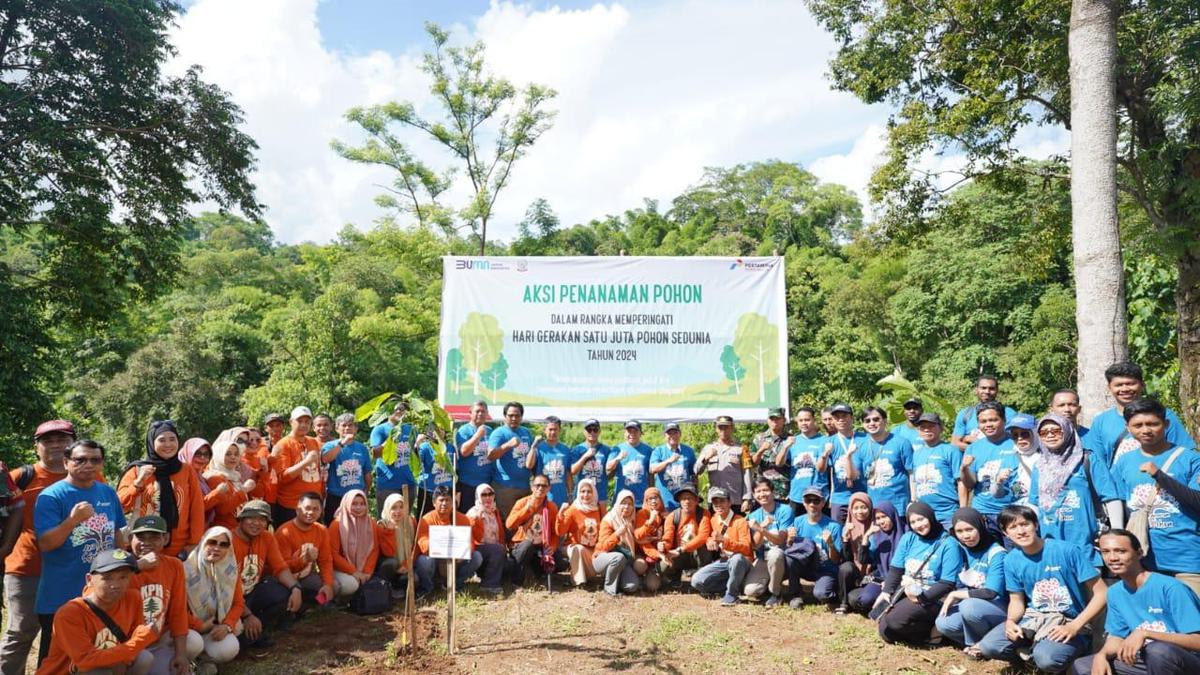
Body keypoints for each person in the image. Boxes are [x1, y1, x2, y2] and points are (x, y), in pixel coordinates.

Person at [976, 505, 1107, 673]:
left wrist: (1074, 626)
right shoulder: (1011, 560)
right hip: (1035, 618)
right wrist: (1010, 622)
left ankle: (1066, 657)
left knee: (1047, 658)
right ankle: (1031, 659)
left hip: (1070, 621)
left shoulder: (1067, 550)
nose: (1021, 531)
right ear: (1005, 533)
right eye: (1013, 527)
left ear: (1036, 525)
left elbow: (1102, 592)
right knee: (989, 646)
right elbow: (1016, 600)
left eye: (1025, 524)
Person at [34, 439, 127, 665]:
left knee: (95, 657)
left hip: (100, 596)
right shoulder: (51, 496)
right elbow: (45, 544)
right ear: (66, 463)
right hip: (61, 596)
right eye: (80, 459)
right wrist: (73, 520)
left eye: (95, 460)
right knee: (54, 662)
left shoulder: (107, 493)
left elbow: (118, 535)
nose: (88, 464)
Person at [1071, 529, 1200, 675]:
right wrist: (1102, 655)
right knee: (1084, 666)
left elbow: (1197, 641)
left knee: (1158, 651)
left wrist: (1146, 633)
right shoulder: (1114, 592)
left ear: (1139, 553)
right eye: (1105, 552)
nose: (1112, 558)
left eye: (1120, 551)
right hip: (1144, 659)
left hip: (1184, 661)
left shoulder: (1171, 587)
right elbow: (1117, 636)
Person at [1, 419, 71, 675]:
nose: (55, 445)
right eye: (48, 441)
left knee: (59, 636)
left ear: (72, 444)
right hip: (26, 568)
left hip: (68, 571)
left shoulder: (89, 474)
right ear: (36, 447)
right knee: (20, 633)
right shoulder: (21, 477)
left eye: (62, 440)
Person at [1111, 398, 1200, 595]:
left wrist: (1159, 475)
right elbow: (1117, 505)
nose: (1146, 430)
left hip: (1186, 560)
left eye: (1153, 423)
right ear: (1128, 427)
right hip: (1143, 561)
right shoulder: (1124, 462)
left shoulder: (1190, 459)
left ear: (1166, 424)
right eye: (1138, 425)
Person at [36, 549, 157, 675]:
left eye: (123, 577)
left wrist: (124, 660)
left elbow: (133, 640)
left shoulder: (133, 598)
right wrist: (139, 642)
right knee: (97, 672)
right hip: (69, 672)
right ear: (89, 579)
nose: (116, 585)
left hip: (111, 665)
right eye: (107, 578)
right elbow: (86, 661)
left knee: (144, 658)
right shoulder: (70, 613)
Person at [1029, 413, 1124, 564]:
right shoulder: (1039, 466)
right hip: (1051, 542)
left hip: (1086, 542)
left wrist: (1117, 534)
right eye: (1044, 432)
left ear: (1067, 431)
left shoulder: (1087, 459)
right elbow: (1034, 503)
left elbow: (1110, 497)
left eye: (1056, 430)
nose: (1050, 435)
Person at [874, 502, 964, 646]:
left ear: (930, 517)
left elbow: (947, 583)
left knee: (894, 622)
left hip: (934, 597)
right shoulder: (909, 538)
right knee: (886, 632)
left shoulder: (948, 543)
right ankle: (921, 628)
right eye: (913, 522)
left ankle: (936, 630)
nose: (918, 525)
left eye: (921, 519)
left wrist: (922, 598)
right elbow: (896, 568)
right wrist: (886, 592)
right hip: (910, 591)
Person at [118, 420, 205, 558]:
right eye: (162, 440)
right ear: (152, 442)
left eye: (172, 439)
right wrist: (138, 482)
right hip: (143, 546)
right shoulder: (137, 470)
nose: (168, 444)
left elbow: (196, 508)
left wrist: (193, 543)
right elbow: (120, 506)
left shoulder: (186, 470)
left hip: (178, 548)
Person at [1089, 362, 1195, 467]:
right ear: (1109, 388)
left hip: (1160, 480)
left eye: (1131, 384)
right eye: (1119, 385)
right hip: (1117, 482)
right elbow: (1097, 463)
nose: (1125, 389)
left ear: (1142, 385)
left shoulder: (1164, 415)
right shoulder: (1101, 421)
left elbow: (1184, 453)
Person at [935, 508, 1008, 659]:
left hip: (999, 608)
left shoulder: (997, 552)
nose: (965, 535)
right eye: (960, 531)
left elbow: (991, 592)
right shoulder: (961, 550)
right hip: (974, 608)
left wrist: (956, 594)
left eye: (970, 529)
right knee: (943, 622)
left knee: (968, 606)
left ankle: (981, 646)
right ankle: (978, 643)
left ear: (980, 527)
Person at [229, 500, 302, 650]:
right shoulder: (228, 541)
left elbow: (280, 568)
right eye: (251, 518)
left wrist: (296, 588)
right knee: (237, 642)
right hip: (229, 599)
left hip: (251, 592)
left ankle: (257, 629)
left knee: (284, 592)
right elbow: (224, 589)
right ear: (241, 519)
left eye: (262, 519)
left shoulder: (267, 538)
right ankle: (249, 631)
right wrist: (247, 615)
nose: (256, 523)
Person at [128, 515, 193, 675]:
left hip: (158, 639)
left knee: (194, 642)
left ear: (166, 538)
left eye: (154, 537)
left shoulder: (174, 565)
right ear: (130, 539)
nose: (146, 542)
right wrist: (137, 566)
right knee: (143, 660)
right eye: (140, 537)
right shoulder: (121, 565)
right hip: (129, 644)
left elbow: (178, 611)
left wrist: (181, 654)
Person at [185, 527, 245, 670]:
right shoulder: (184, 571)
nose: (217, 548)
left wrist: (227, 625)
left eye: (223, 544)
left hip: (215, 627)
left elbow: (238, 604)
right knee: (191, 642)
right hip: (189, 629)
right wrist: (200, 625)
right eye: (212, 542)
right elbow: (176, 610)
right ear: (203, 543)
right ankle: (189, 661)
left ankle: (203, 659)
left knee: (230, 647)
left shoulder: (231, 571)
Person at [960, 401, 1017, 538]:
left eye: (993, 420)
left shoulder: (1016, 443)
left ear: (1003, 420)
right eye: (983, 421)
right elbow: (970, 484)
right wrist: (964, 469)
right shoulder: (973, 448)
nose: (988, 425)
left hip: (1013, 512)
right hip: (984, 512)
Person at [415, 486, 483, 597]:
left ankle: (456, 585)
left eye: (448, 500)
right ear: (434, 503)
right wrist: (442, 548)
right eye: (441, 500)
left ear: (453, 502)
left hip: (457, 559)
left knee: (477, 557)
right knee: (423, 561)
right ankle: (428, 588)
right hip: (435, 559)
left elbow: (470, 543)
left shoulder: (462, 519)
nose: (444, 503)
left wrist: (461, 555)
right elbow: (423, 544)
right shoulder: (426, 520)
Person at [690, 487, 753, 606]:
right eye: (715, 502)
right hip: (724, 561)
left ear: (729, 502)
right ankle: (735, 584)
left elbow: (747, 548)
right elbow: (709, 536)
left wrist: (724, 541)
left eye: (722, 501)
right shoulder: (714, 519)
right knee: (696, 581)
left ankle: (732, 595)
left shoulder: (740, 521)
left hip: (743, 561)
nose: (718, 505)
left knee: (737, 559)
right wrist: (709, 540)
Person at [274, 492, 336, 611]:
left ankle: (313, 605)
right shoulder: (284, 532)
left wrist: (327, 584)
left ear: (320, 512)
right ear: (297, 509)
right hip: (286, 579)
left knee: (334, 586)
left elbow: (325, 561)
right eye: (307, 508)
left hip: (307, 576)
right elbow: (281, 568)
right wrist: (304, 559)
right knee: (284, 595)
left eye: (315, 509)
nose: (311, 512)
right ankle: (299, 605)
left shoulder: (322, 530)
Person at [850, 406, 914, 514]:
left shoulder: (901, 442)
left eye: (876, 419)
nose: (872, 423)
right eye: (867, 420)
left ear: (885, 421)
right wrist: (848, 457)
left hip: (899, 507)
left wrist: (913, 499)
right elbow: (855, 476)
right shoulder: (861, 446)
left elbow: (911, 473)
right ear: (862, 424)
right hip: (874, 508)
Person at [845, 500, 904, 614]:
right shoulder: (877, 537)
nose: (881, 521)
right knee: (861, 600)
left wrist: (891, 582)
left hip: (902, 581)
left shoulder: (906, 535)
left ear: (892, 515)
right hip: (882, 577)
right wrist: (866, 538)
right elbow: (864, 560)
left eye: (884, 517)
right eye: (878, 518)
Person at [788, 487, 842, 609]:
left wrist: (831, 544)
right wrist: (789, 540)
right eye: (808, 500)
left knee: (821, 594)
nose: (812, 504)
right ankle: (795, 595)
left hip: (825, 569)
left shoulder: (834, 526)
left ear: (823, 503)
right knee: (789, 559)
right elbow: (791, 550)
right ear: (804, 503)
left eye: (816, 501)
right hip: (806, 566)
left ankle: (836, 592)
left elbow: (836, 560)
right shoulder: (797, 522)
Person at [506, 475, 566, 586]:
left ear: (549, 488)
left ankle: (535, 573)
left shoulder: (551, 507)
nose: (540, 488)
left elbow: (554, 532)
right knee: (528, 545)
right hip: (522, 543)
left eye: (544, 486)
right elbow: (509, 524)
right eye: (537, 485)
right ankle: (516, 581)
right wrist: (526, 509)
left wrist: (552, 546)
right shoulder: (522, 502)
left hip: (541, 545)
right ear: (532, 487)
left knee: (561, 563)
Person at [744, 478, 796, 606]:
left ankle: (775, 593)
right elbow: (755, 545)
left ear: (773, 492)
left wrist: (762, 529)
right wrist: (762, 529)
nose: (762, 494)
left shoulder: (785, 510)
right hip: (763, 558)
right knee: (751, 591)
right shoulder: (753, 515)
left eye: (766, 490)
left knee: (775, 553)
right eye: (758, 491)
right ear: (754, 495)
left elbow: (780, 540)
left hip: (784, 558)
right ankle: (770, 582)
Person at [272, 407, 324, 527]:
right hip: (291, 506)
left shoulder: (313, 442)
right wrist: (305, 462)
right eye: (300, 421)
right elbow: (282, 477)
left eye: (307, 422)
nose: (304, 425)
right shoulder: (283, 444)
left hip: (314, 504)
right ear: (291, 422)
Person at [911, 413, 962, 527]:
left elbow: (961, 482)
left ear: (941, 427)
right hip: (924, 515)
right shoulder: (916, 454)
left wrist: (962, 511)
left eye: (931, 426)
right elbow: (914, 481)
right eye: (923, 427)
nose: (927, 430)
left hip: (948, 513)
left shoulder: (951, 450)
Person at [819, 403, 868, 523]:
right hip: (840, 498)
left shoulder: (865, 439)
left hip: (862, 495)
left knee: (861, 533)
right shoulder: (829, 442)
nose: (840, 420)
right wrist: (825, 455)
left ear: (851, 418)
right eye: (837, 417)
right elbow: (821, 469)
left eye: (844, 416)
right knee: (840, 535)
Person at [322, 413, 372, 526]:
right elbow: (325, 459)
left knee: (357, 529)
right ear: (337, 428)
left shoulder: (362, 448)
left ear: (356, 428)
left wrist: (365, 492)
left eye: (351, 425)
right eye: (344, 425)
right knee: (334, 528)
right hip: (336, 497)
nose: (347, 428)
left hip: (356, 497)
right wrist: (342, 443)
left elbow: (367, 473)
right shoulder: (329, 445)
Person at [487, 401, 535, 520]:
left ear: (521, 417)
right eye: (510, 415)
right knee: (508, 522)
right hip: (505, 487)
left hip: (524, 486)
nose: (514, 418)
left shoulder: (526, 432)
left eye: (517, 415)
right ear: (505, 416)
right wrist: (508, 445)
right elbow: (490, 455)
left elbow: (532, 456)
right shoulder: (499, 433)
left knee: (523, 520)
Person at [328, 490, 380, 599]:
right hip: (339, 569)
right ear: (346, 504)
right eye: (354, 504)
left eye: (362, 504)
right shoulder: (336, 525)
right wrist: (354, 571)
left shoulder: (372, 524)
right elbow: (333, 554)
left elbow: (374, 549)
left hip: (362, 570)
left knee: (361, 583)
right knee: (351, 585)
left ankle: (353, 599)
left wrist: (367, 571)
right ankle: (323, 600)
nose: (358, 507)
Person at [370, 403, 417, 519]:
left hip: (409, 484)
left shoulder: (411, 429)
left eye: (402, 409)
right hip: (388, 484)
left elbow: (415, 454)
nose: (399, 412)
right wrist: (391, 438)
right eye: (395, 409)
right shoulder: (379, 429)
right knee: (386, 521)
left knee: (405, 522)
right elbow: (375, 454)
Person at [658, 484, 711, 588]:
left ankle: (701, 575)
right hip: (678, 553)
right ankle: (674, 576)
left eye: (690, 498)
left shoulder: (704, 514)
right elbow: (668, 536)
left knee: (704, 546)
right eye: (683, 499)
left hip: (696, 552)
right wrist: (664, 545)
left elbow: (702, 536)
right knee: (663, 566)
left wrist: (683, 549)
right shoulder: (673, 516)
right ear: (679, 501)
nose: (687, 501)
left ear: (696, 501)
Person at [593, 490, 645, 595]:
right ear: (617, 504)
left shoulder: (633, 521)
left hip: (625, 562)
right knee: (618, 557)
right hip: (602, 558)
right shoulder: (609, 520)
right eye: (623, 503)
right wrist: (617, 534)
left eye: (630, 504)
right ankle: (609, 590)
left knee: (631, 587)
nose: (626, 507)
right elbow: (604, 547)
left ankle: (618, 581)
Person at [698, 416, 753, 515]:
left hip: (734, 500)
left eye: (726, 427)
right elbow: (697, 471)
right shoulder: (708, 448)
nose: (723, 430)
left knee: (736, 528)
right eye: (720, 427)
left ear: (732, 428)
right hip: (715, 500)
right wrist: (706, 458)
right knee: (716, 528)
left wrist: (747, 498)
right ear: (716, 429)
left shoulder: (742, 449)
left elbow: (747, 474)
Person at [558, 478, 605, 587]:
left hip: (592, 548)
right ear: (578, 493)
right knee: (578, 549)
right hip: (573, 546)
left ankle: (587, 575)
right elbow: (560, 531)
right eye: (582, 491)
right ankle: (578, 581)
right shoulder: (573, 509)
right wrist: (560, 515)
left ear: (594, 493)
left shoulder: (597, 509)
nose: (586, 494)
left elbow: (603, 531)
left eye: (589, 491)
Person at [952, 375, 1019, 450]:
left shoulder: (1009, 413)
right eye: (983, 388)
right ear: (976, 389)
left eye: (991, 388)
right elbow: (955, 443)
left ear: (997, 390)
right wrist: (977, 449)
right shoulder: (966, 414)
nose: (987, 391)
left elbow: (1015, 439)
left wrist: (975, 442)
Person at [834, 492, 874, 614]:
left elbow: (869, 560)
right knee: (846, 568)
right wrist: (845, 539)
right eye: (855, 508)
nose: (860, 511)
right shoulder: (848, 527)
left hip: (872, 573)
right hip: (855, 574)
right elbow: (846, 560)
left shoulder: (876, 526)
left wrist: (866, 539)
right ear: (850, 510)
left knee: (861, 600)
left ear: (870, 508)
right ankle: (844, 602)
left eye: (863, 507)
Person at [779, 406, 830, 504]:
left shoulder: (824, 440)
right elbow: (779, 463)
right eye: (801, 420)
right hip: (797, 495)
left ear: (814, 420)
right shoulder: (792, 441)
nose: (804, 423)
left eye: (807, 420)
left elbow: (822, 469)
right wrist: (785, 448)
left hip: (818, 495)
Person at [204, 439, 254, 532]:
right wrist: (244, 491)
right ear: (219, 456)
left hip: (237, 529)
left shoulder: (234, 476)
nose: (233, 457)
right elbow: (223, 510)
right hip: (223, 531)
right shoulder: (215, 477)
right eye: (228, 454)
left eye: (236, 454)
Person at [464, 484, 506, 594]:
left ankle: (486, 576)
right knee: (497, 550)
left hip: (494, 551)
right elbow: (475, 538)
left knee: (509, 565)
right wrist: (477, 519)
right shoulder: (473, 513)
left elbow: (500, 534)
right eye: (484, 495)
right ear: (478, 496)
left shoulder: (494, 511)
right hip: (477, 550)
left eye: (490, 494)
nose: (488, 497)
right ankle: (489, 585)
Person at [454, 401, 493, 514]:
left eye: (483, 411)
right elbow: (464, 452)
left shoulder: (490, 431)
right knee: (468, 517)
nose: (480, 414)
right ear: (470, 413)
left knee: (484, 517)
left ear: (487, 413)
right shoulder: (463, 430)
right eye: (477, 411)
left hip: (486, 483)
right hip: (468, 484)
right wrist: (478, 435)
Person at [526, 416, 572, 506]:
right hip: (542, 497)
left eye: (555, 429)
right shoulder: (539, 448)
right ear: (545, 430)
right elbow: (529, 465)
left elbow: (568, 474)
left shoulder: (565, 450)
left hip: (561, 498)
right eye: (550, 429)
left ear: (560, 430)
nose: (553, 432)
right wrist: (533, 447)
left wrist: (570, 494)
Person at [650, 423, 697, 511]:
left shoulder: (688, 451)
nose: (672, 436)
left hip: (684, 501)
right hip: (665, 501)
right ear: (665, 435)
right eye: (669, 433)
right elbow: (652, 469)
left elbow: (693, 473)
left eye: (675, 433)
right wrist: (668, 461)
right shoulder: (658, 450)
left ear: (680, 434)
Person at [376, 493, 416, 595]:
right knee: (391, 562)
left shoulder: (410, 521)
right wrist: (390, 532)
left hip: (406, 565)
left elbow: (416, 547)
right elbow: (388, 552)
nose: (398, 511)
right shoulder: (382, 525)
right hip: (389, 566)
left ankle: (398, 588)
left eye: (401, 507)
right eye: (393, 508)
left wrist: (406, 564)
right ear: (387, 508)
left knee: (415, 580)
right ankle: (386, 587)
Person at [608, 420, 653, 507]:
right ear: (624, 433)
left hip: (641, 501)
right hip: (621, 501)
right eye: (629, 431)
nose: (632, 434)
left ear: (641, 433)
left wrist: (650, 494)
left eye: (635, 431)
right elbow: (608, 469)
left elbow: (650, 475)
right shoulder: (617, 449)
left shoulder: (648, 450)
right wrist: (618, 458)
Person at [752, 408, 792, 502]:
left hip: (784, 490)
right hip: (763, 490)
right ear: (768, 420)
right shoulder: (759, 438)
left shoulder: (790, 439)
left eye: (778, 418)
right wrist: (761, 450)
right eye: (772, 419)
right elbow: (753, 464)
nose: (774, 421)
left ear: (784, 420)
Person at [570, 418, 610, 506]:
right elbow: (573, 471)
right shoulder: (577, 449)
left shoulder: (606, 450)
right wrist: (585, 456)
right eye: (589, 430)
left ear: (599, 432)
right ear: (584, 432)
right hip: (583, 495)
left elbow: (610, 473)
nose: (592, 432)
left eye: (595, 430)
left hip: (601, 494)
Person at [635, 487, 666, 592]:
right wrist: (650, 520)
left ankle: (653, 573)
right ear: (646, 501)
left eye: (656, 497)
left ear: (660, 499)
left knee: (653, 587)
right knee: (640, 566)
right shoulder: (641, 513)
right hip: (642, 554)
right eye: (650, 498)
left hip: (654, 557)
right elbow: (639, 536)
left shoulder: (664, 515)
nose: (653, 501)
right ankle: (638, 577)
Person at [180, 438, 215, 528]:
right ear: (188, 453)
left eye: (206, 454)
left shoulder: (201, 478)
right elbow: (195, 507)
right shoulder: (182, 476)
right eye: (197, 454)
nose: (202, 458)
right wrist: (217, 494)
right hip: (185, 531)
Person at [1009, 413, 1040, 505]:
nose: (1019, 438)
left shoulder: (1045, 458)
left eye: (1024, 434)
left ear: (1035, 434)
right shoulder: (1011, 457)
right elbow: (999, 494)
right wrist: (998, 483)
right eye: (1015, 435)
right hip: (1019, 509)